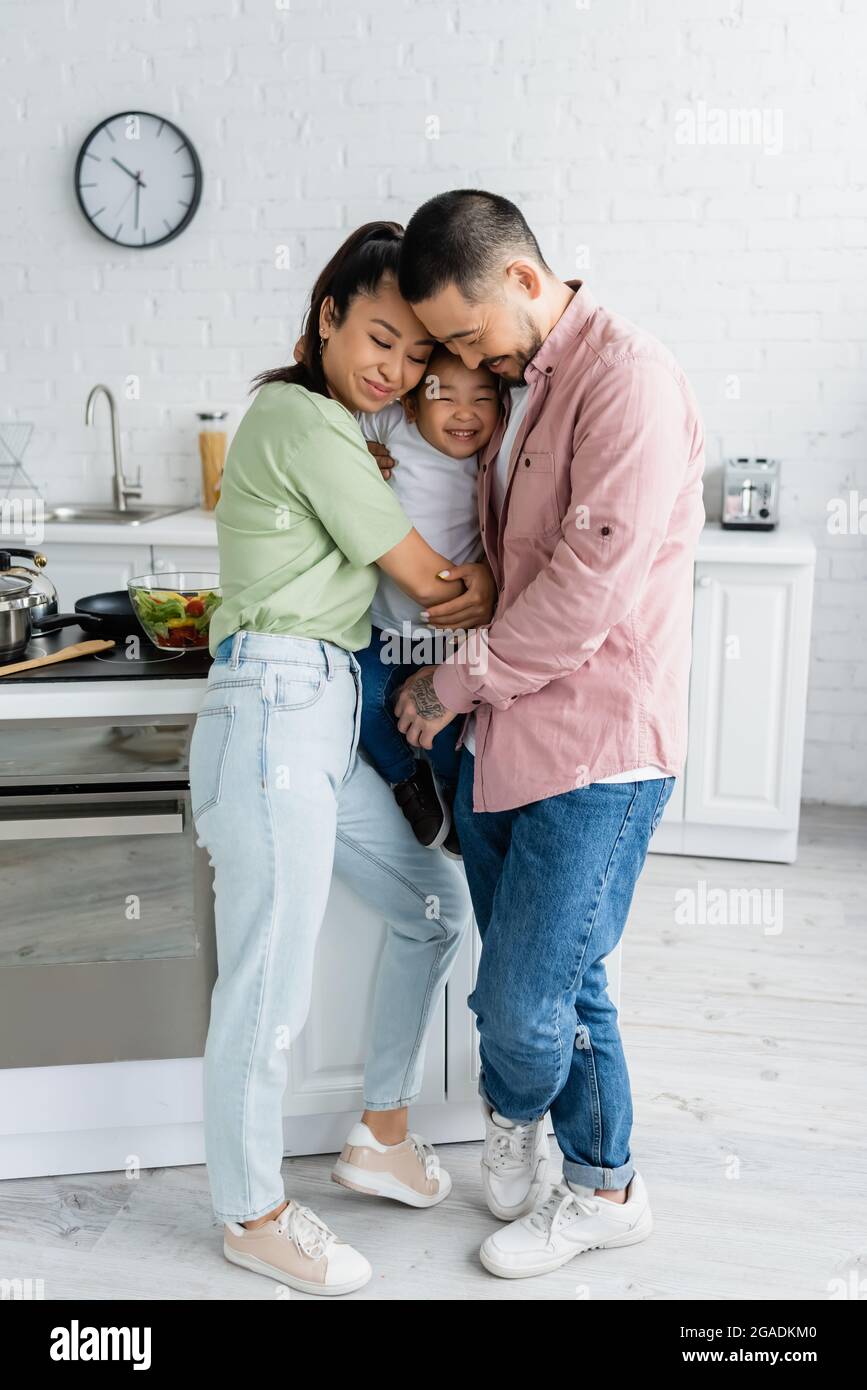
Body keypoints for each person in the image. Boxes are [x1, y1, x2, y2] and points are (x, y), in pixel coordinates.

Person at [394, 189, 706, 1280]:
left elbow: (586, 595)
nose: (464, 361)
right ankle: (601, 1174)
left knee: (523, 1005)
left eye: (469, 335)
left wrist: (449, 688)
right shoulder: (526, 385)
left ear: (525, 280)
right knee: (568, 984)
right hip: (505, 742)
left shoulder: (629, 381)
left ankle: (539, 1127)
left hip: (596, 749)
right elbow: (520, 564)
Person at [189, 221, 493, 1297]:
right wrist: (536, 582)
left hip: (316, 706)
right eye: (378, 337)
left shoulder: (344, 434)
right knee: (267, 981)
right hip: (273, 702)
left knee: (431, 902)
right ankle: (254, 1211)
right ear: (325, 315)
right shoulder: (299, 416)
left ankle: (380, 1128)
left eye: (416, 356)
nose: (396, 370)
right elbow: (428, 580)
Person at [354, 343, 501, 855]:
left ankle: (454, 795)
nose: (466, 412)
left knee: (442, 730)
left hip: (450, 634)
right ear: (412, 405)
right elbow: (335, 432)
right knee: (364, 707)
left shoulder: (493, 455)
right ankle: (406, 784)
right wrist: (360, 456)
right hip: (381, 625)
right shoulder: (393, 425)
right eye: (445, 397)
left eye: (483, 399)